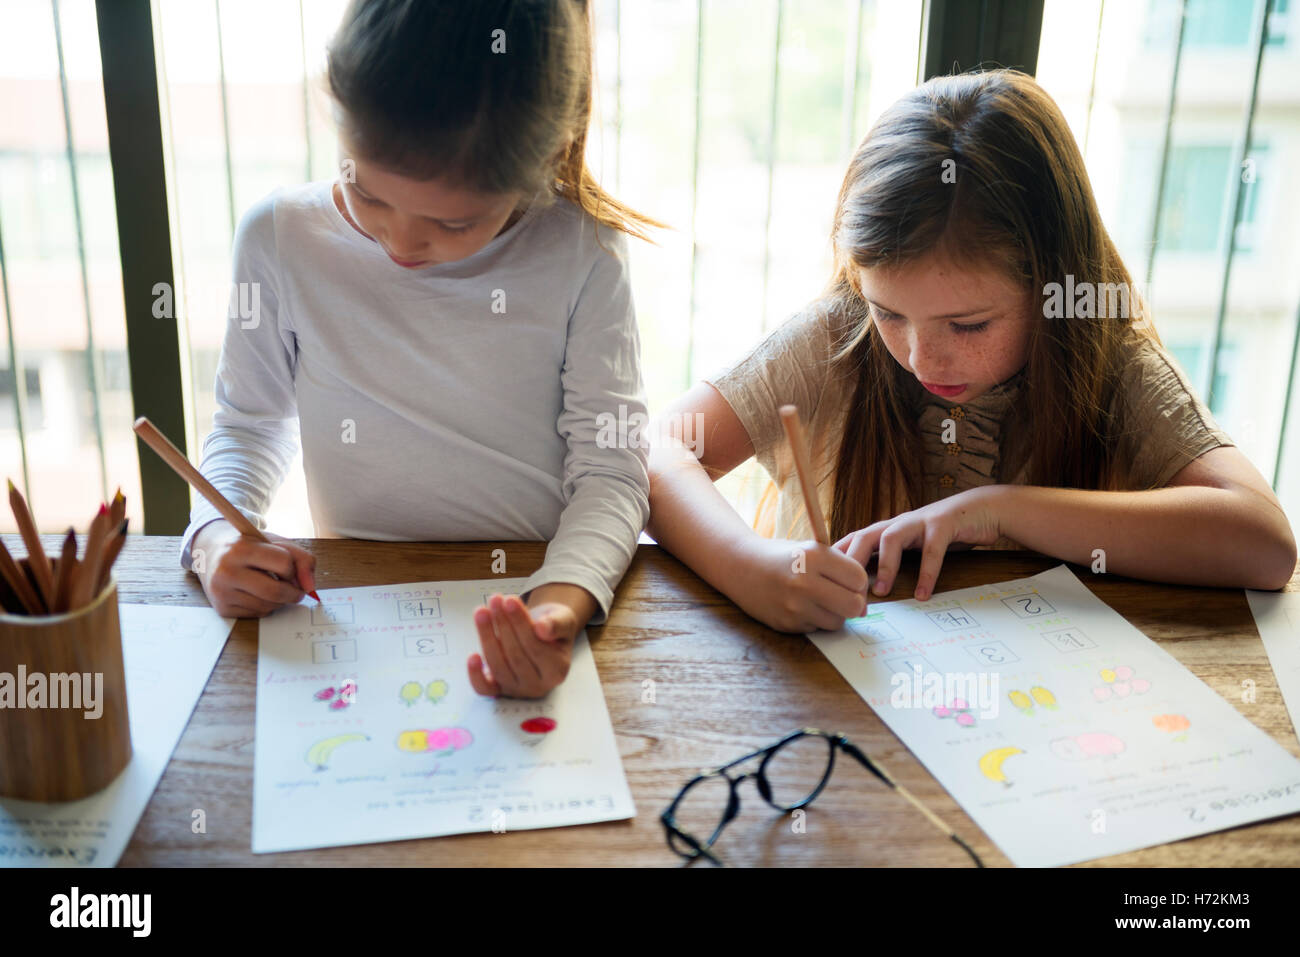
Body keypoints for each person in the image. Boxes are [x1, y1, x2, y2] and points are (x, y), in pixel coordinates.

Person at [648, 69, 1296, 634]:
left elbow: (1263, 543)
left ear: (1051, 286)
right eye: (889, 313)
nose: (923, 358)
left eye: (969, 325)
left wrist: (998, 508)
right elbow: (658, 449)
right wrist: (751, 565)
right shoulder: (837, 336)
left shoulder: (1110, 362)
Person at [182, 0, 662, 697]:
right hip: (361, 614)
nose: (401, 244)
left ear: (542, 163)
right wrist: (214, 542)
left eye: (454, 221)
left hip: (530, 584)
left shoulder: (582, 252)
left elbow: (612, 470)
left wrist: (560, 603)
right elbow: (248, 426)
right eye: (366, 193)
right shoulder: (278, 238)